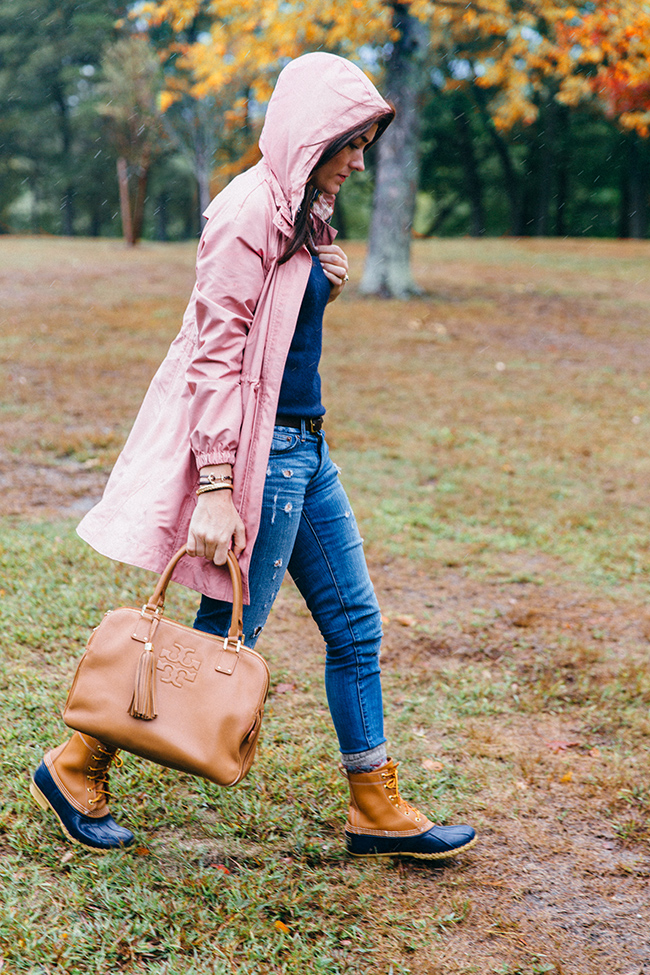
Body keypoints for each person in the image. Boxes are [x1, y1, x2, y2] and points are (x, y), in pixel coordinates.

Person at [30, 52, 476, 859]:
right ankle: (75, 763)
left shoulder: (301, 211)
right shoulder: (246, 211)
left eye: (369, 143)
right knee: (218, 633)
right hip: (259, 463)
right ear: (312, 135)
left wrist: (321, 275)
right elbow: (214, 350)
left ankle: (375, 806)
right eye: (350, 143)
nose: (360, 160)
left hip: (309, 446)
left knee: (354, 622)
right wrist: (213, 485)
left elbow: (279, 334)